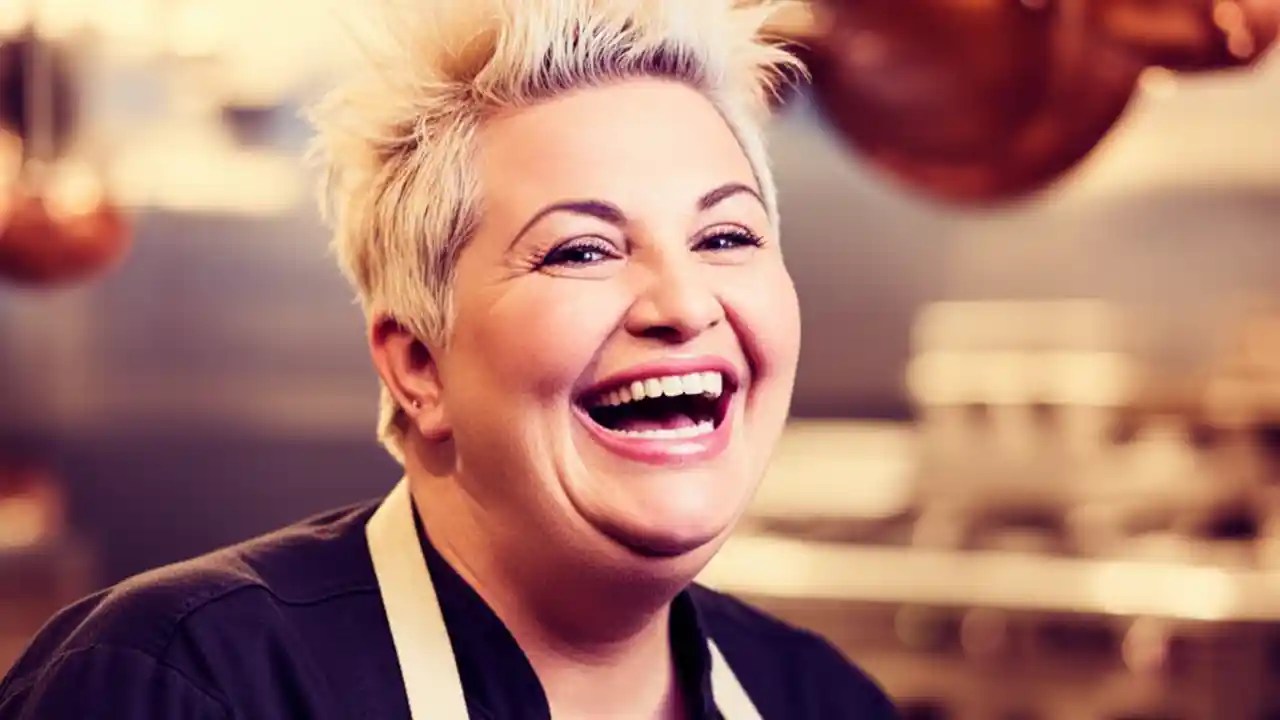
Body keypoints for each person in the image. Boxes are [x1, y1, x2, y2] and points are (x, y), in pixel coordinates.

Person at [0, 1, 896, 717]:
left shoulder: (819, 698)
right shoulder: (176, 684)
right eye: (581, 250)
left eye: (727, 234)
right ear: (419, 366)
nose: (685, 304)